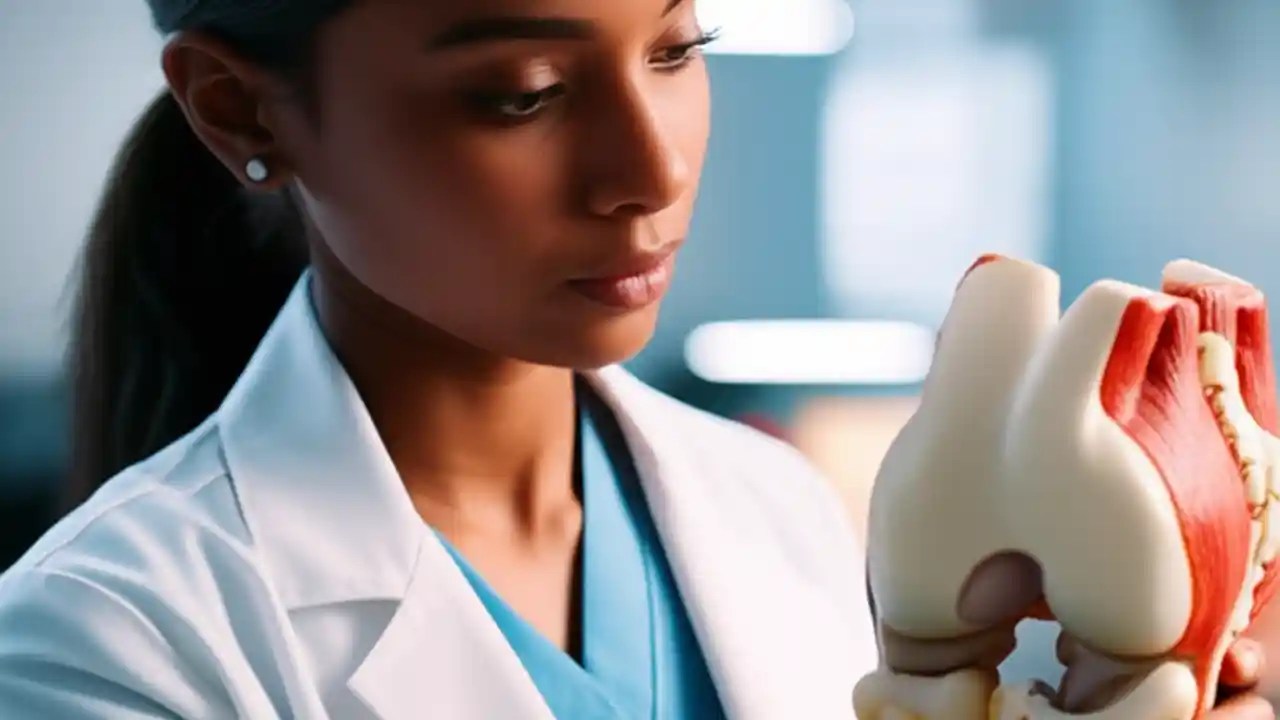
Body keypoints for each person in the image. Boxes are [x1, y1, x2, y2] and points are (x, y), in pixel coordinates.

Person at [0, 1, 1269, 718]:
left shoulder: (771, 505)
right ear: (239, 109)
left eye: (675, 48)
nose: (652, 171)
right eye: (523, 91)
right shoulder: (105, 645)